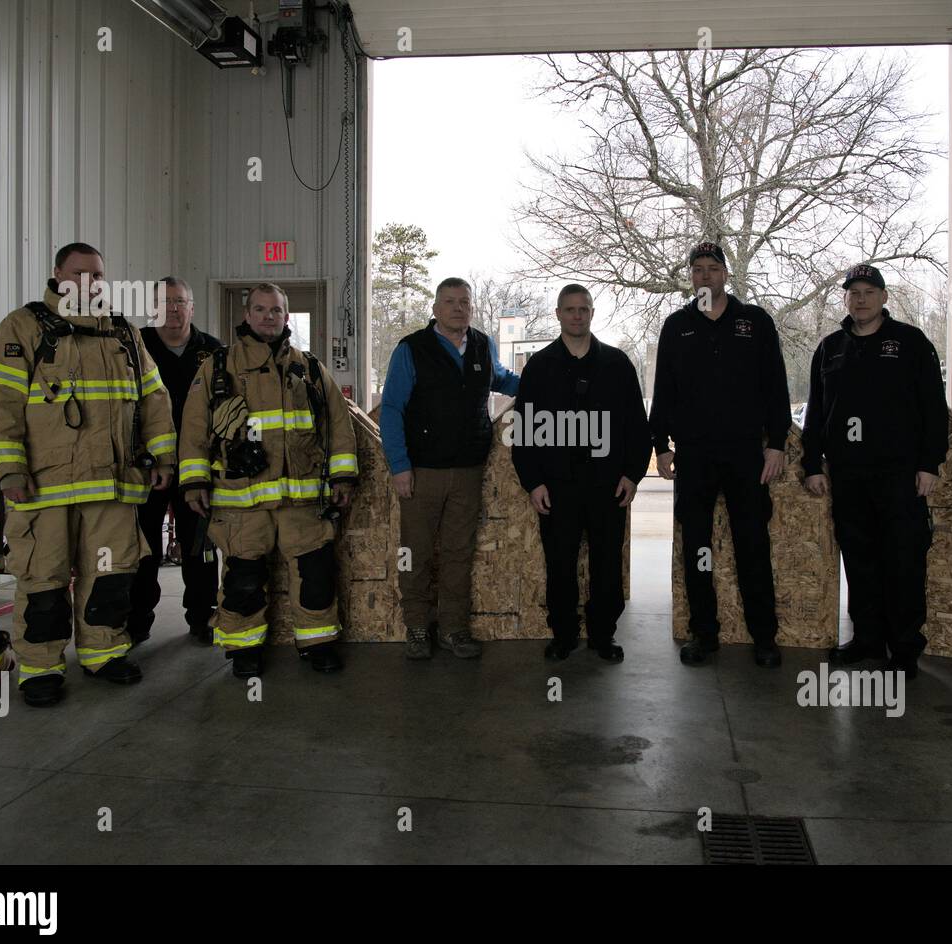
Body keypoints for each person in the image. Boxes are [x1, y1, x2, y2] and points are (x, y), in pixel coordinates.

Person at [0, 242, 176, 706]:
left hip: (113, 485)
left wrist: (163, 458)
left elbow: (155, 400)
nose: (91, 282)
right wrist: (9, 470)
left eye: (99, 275)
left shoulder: (124, 333)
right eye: (81, 273)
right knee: (43, 579)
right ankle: (41, 667)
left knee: (110, 574)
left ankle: (103, 653)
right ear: (58, 274)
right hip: (44, 486)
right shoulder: (22, 327)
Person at [178, 283, 358, 679]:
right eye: (260, 310)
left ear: (286, 316)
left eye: (275, 310)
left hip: (302, 501)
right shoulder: (218, 366)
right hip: (241, 502)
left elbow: (338, 426)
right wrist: (193, 483)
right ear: (247, 315)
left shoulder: (309, 368)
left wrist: (343, 475)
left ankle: (319, 643)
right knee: (243, 579)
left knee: (316, 575)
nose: (268, 317)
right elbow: (193, 429)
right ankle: (245, 650)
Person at [801, 263, 948, 680]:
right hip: (848, 475)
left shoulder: (910, 343)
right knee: (860, 560)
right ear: (845, 299)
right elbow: (817, 413)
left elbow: (933, 410)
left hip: (899, 475)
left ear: (884, 297)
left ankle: (904, 648)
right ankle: (867, 638)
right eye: (853, 293)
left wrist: (928, 463)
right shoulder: (830, 348)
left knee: (902, 562)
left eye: (869, 291)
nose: (860, 298)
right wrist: (813, 464)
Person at [649, 241, 792, 668]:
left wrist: (778, 443)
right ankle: (704, 634)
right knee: (699, 547)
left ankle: (764, 637)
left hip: (745, 455)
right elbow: (664, 391)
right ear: (691, 276)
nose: (706, 275)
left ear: (726, 274)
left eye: (713, 268)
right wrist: (661, 447)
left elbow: (775, 387)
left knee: (751, 545)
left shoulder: (755, 322)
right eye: (698, 269)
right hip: (694, 456)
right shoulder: (677, 326)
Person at [380, 277, 521, 660]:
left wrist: (541, 383)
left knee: (459, 553)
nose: (459, 308)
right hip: (422, 471)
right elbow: (392, 409)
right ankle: (417, 629)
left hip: (467, 469)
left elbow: (504, 380)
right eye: (450, 302)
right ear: (436, 309)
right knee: (417, 552)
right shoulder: (412, 349)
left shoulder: (481, 344)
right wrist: (400, 466)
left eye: (465, 302)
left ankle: (454, 630)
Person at [511, 284, 652, 662]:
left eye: (583, 309)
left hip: (607, 485)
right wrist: (533, 482)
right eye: (570, 309)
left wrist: (633, 474)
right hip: (558, 487)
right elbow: (523, 431)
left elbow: (636, 426)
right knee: (560, 564)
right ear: (558, 314)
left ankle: (604, 635)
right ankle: (564, 634)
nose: (577, 315)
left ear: (592, 313)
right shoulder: (540, 367)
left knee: (607, 564)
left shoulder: (617, 364)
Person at [128, 277, 223, 646]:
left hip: (197, 468)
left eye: (179, 301)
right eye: (164, 302)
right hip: (147, 468)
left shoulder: (213, 352)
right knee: (143, 548)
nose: (173, 309)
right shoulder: (132, 348)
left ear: (191, 307)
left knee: (199, 547)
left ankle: (202, 617)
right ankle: (137, 621)